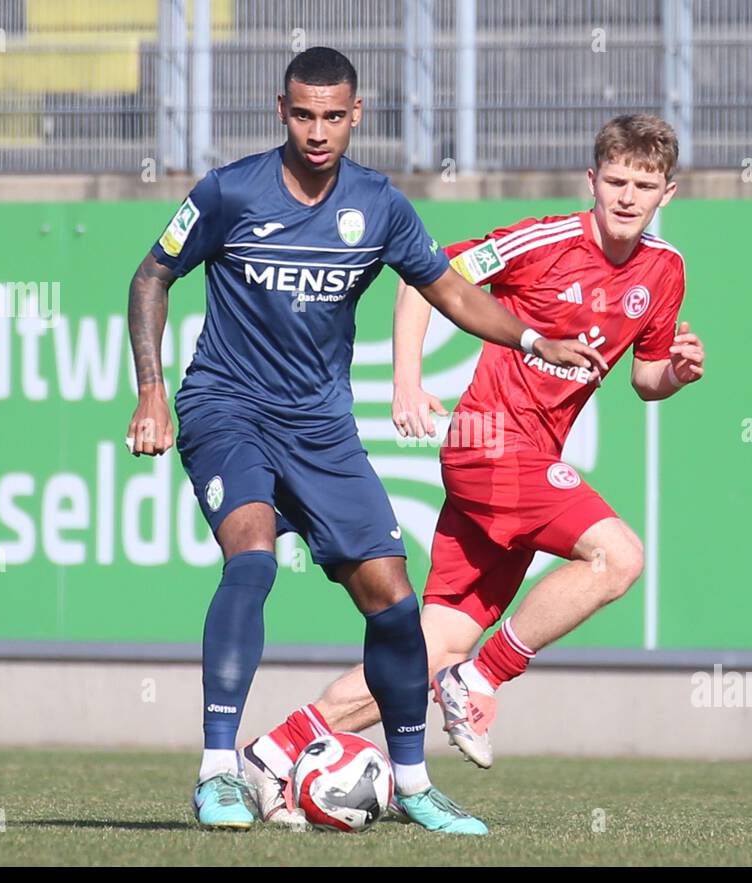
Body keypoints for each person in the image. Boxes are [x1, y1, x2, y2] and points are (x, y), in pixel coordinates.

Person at [124, 47, 604, 835]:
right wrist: (151, 389)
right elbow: (151, 276)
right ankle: (217, 774)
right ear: (282, 111)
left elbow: (446, 288)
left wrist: (531, 339)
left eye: (333, 116)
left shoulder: (380, 205)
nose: (318, 132)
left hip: (320, 425)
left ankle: (412, 783)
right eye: (304, 115)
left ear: (356, 115)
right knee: (250, 559)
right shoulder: (228, 191)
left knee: (392, 600)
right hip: (227, 407)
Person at [244, 113, 705, 826]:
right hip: (491, 447)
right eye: (614, 180)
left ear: (665, 194)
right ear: (592, 180)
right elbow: (427, 276)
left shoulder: (665, 270)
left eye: (643, 185)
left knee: (425, 653)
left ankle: (271, 754)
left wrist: (675, 372)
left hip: (525, 464)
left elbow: (646, 379)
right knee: (618, 558)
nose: (626, 196)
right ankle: (485, 677)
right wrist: (406, 377)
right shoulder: (548, 240)